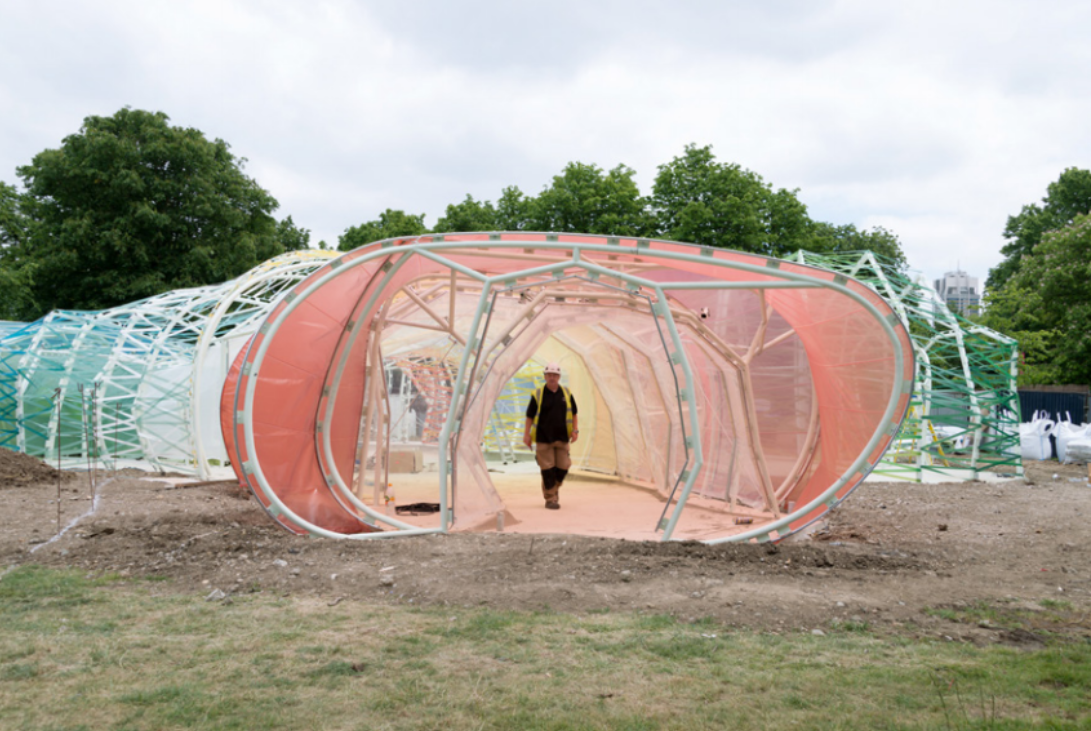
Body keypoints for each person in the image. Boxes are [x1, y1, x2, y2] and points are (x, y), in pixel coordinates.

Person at [523, 362, 578, 509]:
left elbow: (574, 413)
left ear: (559, 377)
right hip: (543, 438)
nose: (552, 377)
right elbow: (529, 416)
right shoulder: (537, 395)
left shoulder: (566, 393)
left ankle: (553, 490)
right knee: (547, 470)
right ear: (545, 377)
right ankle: (551, 499)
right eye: (549, 375)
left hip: (562, 437)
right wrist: (526, 434)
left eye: (554, 375)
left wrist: (575, 430)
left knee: (563, 468)